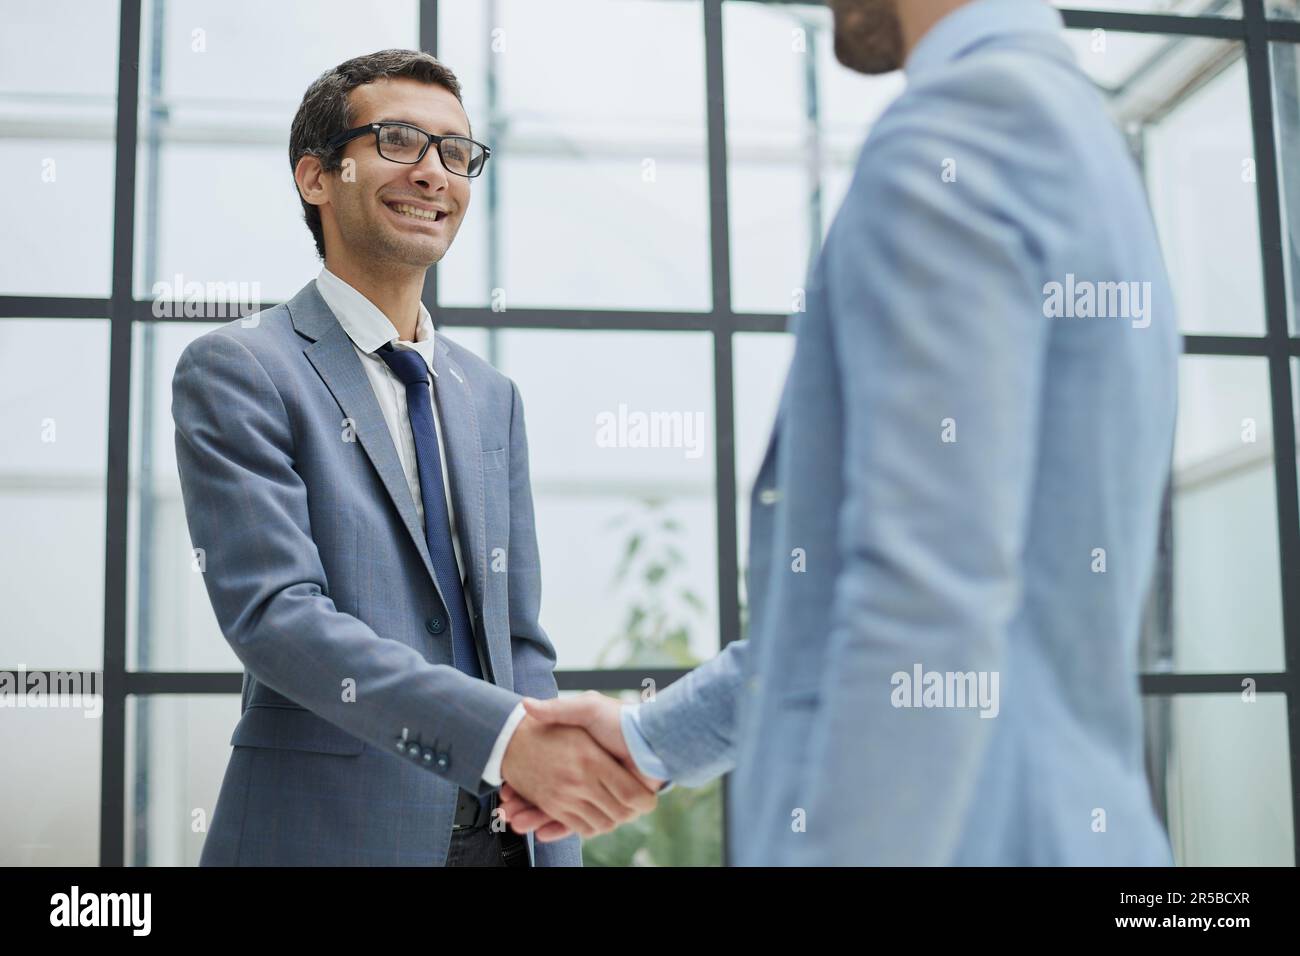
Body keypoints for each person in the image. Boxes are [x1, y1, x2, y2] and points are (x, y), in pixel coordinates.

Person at [502, 0, 1179, 866]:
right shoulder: (1080, 134)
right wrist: (648, 740)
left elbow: (926, 599)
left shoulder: (957, 134)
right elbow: (893, 603)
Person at [173, 49, 658, 867]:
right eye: (398, 141)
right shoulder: (242, 367)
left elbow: (517, 642)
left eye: (456, 153)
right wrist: (503, 738)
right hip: (328, 836)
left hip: (510, 843)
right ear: (318, 178)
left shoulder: (490, 395)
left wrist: (559, 834)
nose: (435, 174)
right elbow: (278, 618)